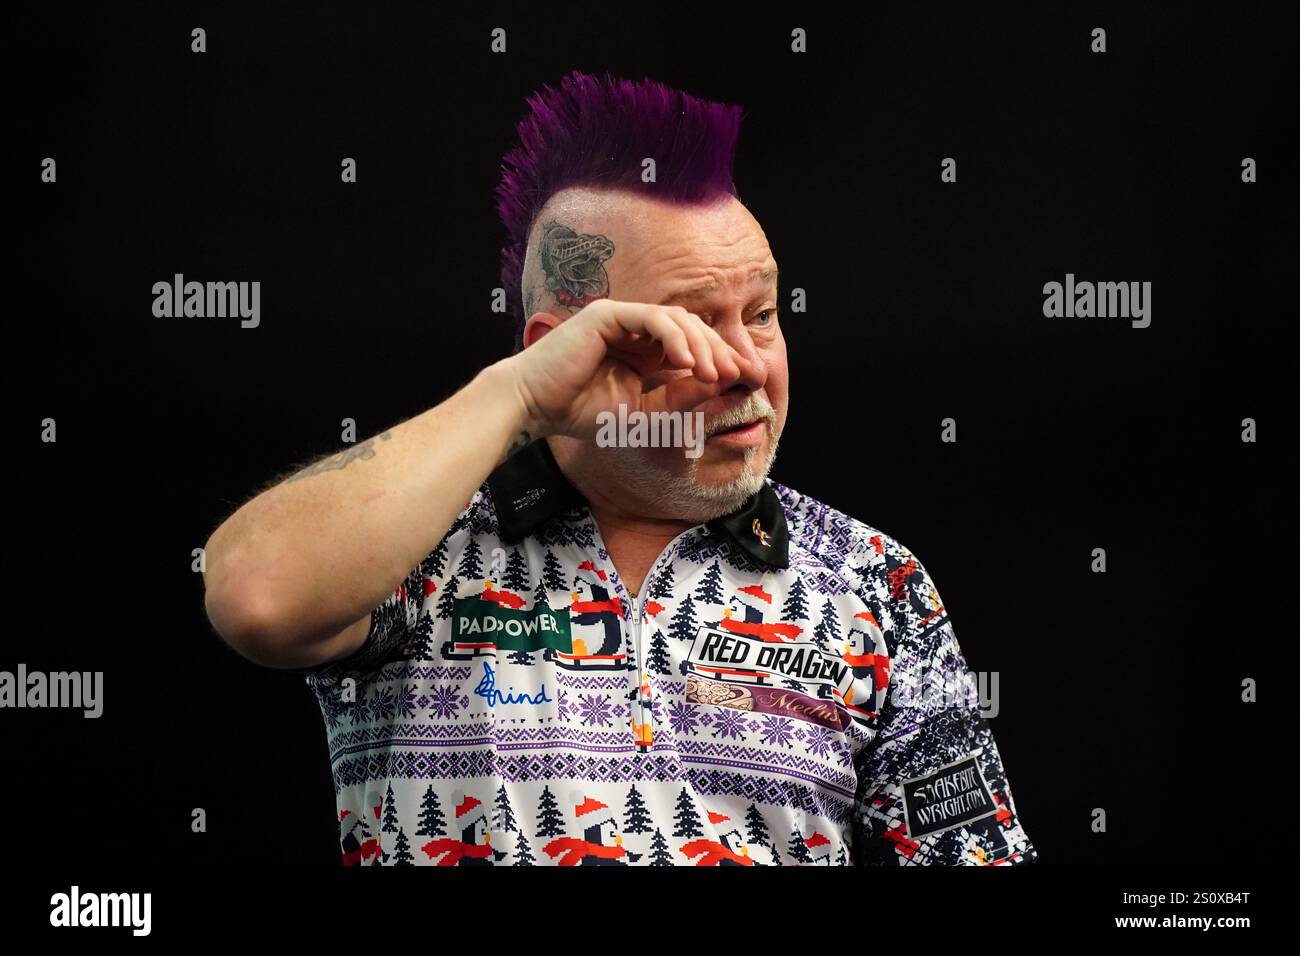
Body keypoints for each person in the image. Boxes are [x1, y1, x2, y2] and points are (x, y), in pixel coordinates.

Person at [201, 70, 1036, 866]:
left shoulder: (874, 584)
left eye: (762, 314)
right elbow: (254, 597)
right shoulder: (421, 547)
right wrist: (517, 398)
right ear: (560, 348)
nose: (748, 366)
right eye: (690, 329)